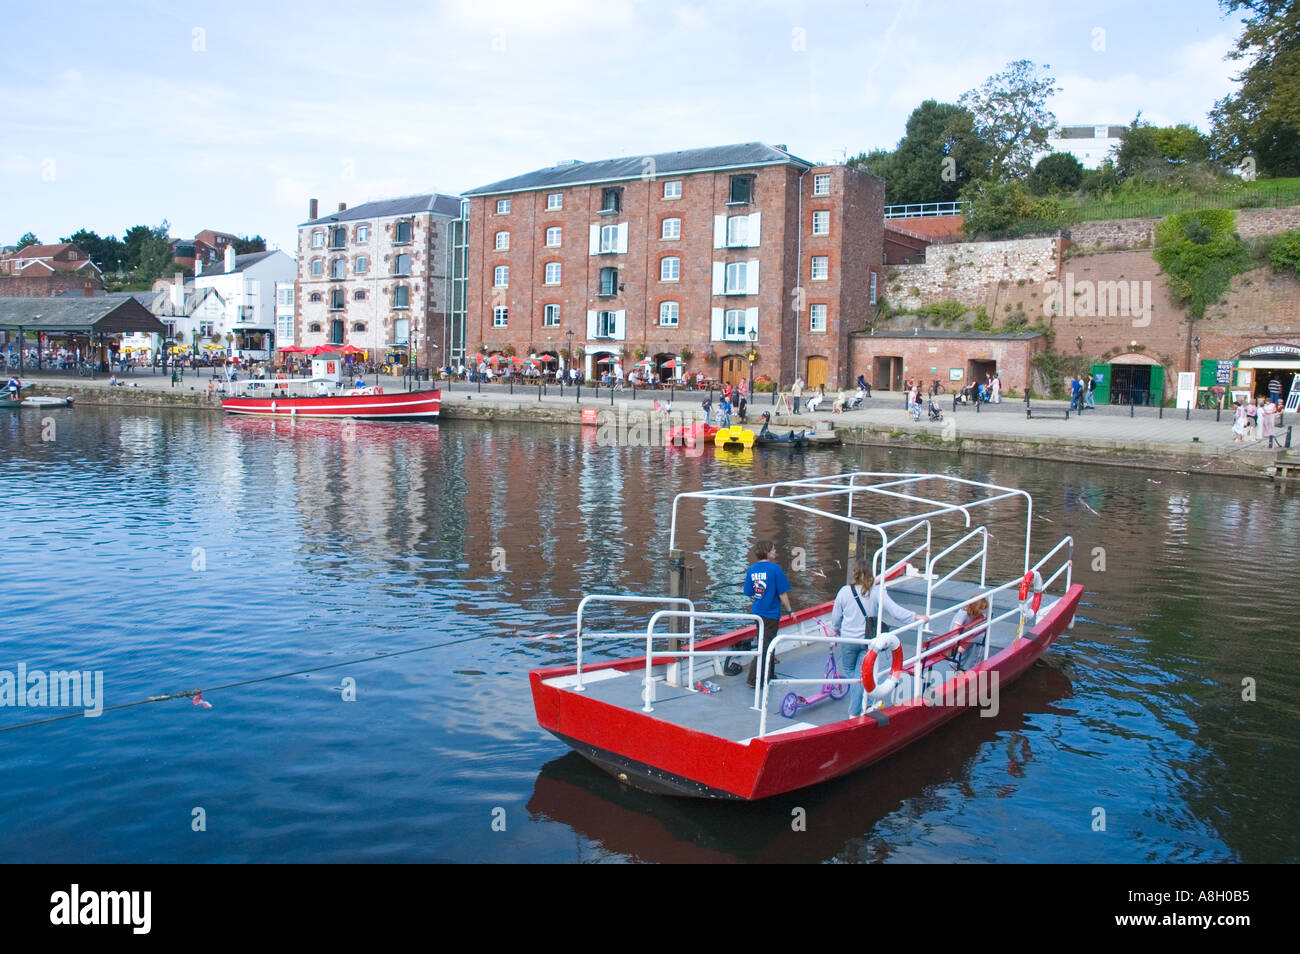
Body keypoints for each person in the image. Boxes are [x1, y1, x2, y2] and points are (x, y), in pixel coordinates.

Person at [829, 558, 926, 717]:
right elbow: (896, 611)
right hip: (868, 641)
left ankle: (854, 712)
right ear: (871, 575)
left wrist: (834, 630)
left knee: (850, 672)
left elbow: (836, 617)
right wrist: (916, 617)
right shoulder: (876, 592)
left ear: (855, 574)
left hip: (847, 641)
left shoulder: (843, 592)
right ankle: (858, 706)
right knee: (859, 676)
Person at [741, 540, 793, 688]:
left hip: (757, 612)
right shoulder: (775, 569)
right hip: (771, 613)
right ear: (768, 553)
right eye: (774, 550)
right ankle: (754, 679)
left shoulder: (752, 570)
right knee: (766, 646)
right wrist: (790, 610)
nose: (776, 552)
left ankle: (769, 674)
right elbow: (783, 593)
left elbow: (749, 592)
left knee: (766, 642)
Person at [948, 597, 990, 670]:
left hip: (964, 635)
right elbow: (955, 631)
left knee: (978, 638)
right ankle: (959, 663)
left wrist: (982, 616)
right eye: (981, 609)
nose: (982, 611)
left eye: (983, 609)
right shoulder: (963, 614)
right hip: (956, 637)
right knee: (976, 640)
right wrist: (957, 645)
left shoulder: (974, 613)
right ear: (975, 607)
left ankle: (960, 664)